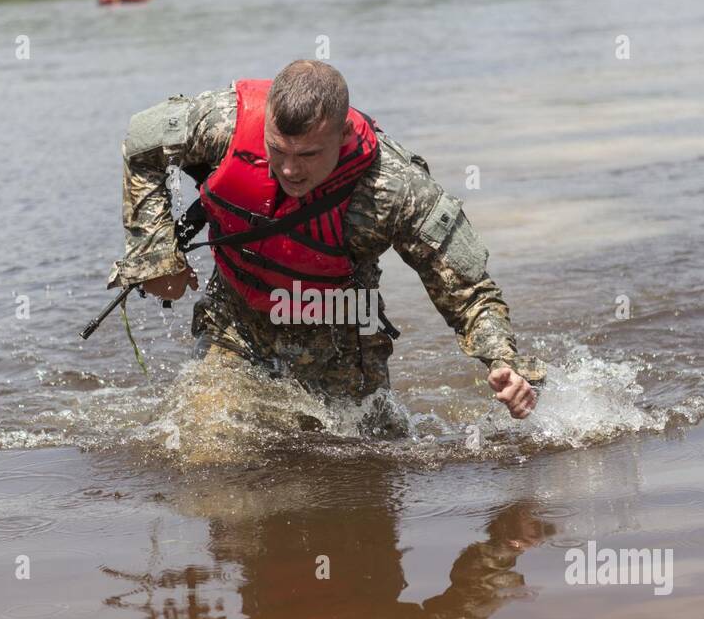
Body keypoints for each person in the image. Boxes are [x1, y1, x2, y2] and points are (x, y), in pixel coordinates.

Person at [107, 60, 544, 418]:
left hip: (342, 331)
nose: (290, 170)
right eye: (278, 151)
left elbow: (470, 293)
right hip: (235, 318)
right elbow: (141, 141)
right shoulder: (223, 123)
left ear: (344, 136)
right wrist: (156, 256)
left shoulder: (397, 190)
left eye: (309, 155)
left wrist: (504, 362)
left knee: (360, 467)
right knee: (209, 437)